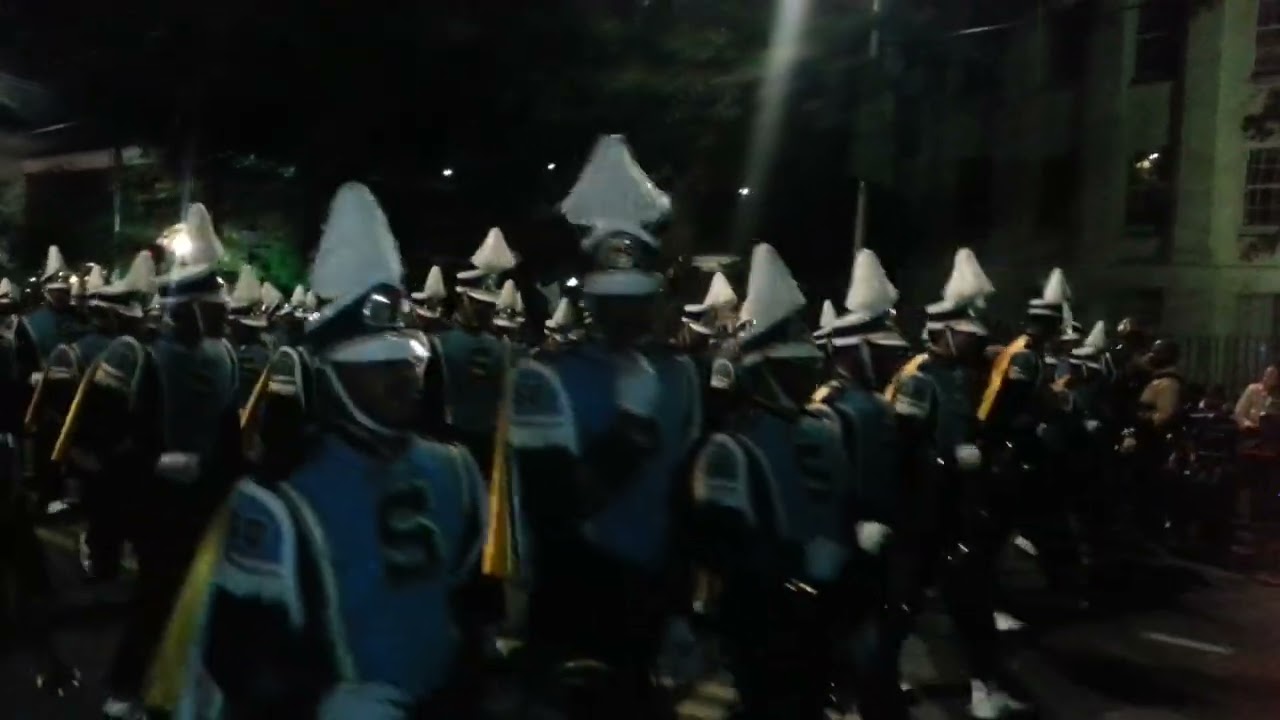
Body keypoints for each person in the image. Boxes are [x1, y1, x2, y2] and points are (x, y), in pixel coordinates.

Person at [147, 181, 487, 719]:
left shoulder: (457, 471)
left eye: (409, 361)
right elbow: (234, 654)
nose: (403, 379)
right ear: (334, 377)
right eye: (379, 366)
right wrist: (319, 700)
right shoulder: (279, 498)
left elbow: (471, 607)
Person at [509, 134, 698, 719]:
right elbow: (558, 511)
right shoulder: (544, 379)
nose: (626, 315)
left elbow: (683, 497)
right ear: (589, 302)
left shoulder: (682, 376)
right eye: (611, 299)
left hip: (651, 599)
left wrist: (683, 607)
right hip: (577, 602)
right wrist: (630, 432)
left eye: (636, 298)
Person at [60, 204, 242, 720]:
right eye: (217, 305)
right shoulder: (133, 355)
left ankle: (184, 684)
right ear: (192, 307)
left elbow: (228, 435)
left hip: (206, 499)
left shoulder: (224, 357)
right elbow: (94, 441)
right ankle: (124, 686)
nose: (226, 312)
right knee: (157, 594)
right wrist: (153, 461)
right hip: (152, 499)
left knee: (203, 598)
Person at [885, 248, 1029, 719]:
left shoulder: (958, 378)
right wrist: (948, 459)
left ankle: (984, 688)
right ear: (943, 333)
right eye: (966, 337)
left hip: (953, 507)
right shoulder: (918, 379)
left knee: (971, 600)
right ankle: (876, 678)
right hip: (920, 509)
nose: (973, 345)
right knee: (901, 601)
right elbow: (904, 447)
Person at [809, 248, 910, 720]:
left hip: (878, 540)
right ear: (858, 352)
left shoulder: (872, 403)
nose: (895, 361)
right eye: (885, 352)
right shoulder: (832, 405)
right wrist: (846, 528)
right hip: (845, 541)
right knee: (846, 631)